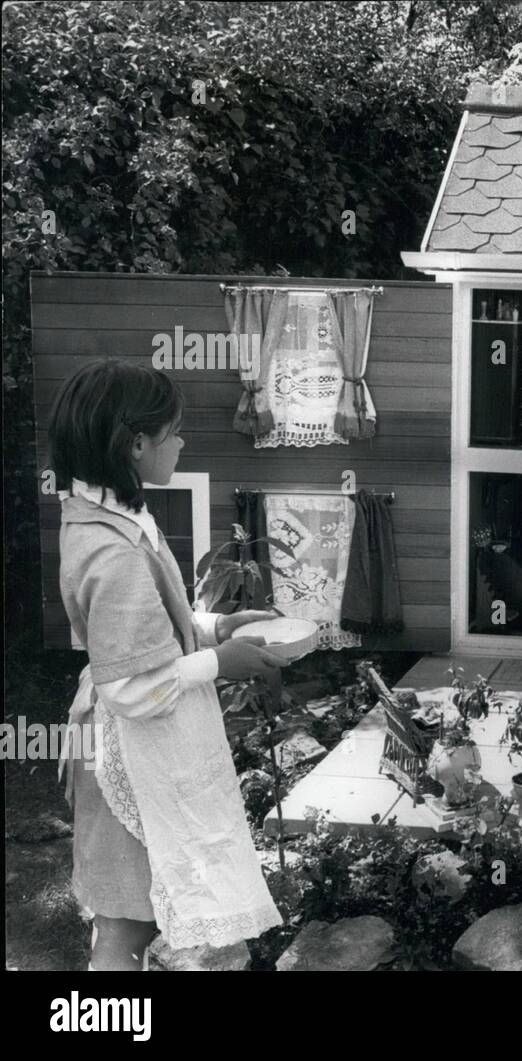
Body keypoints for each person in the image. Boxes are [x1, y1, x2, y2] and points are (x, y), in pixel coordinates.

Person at [51, 359, 286, 970]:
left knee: (141, 913)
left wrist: (215, 626)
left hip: (138, 743)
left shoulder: (116, 519)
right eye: (172, 432)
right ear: (134, 445)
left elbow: (147, 631)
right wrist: (219, 662)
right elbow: (129, 684)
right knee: (126, 924)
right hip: (127, 757)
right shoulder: (111, 548)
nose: (181, 442)